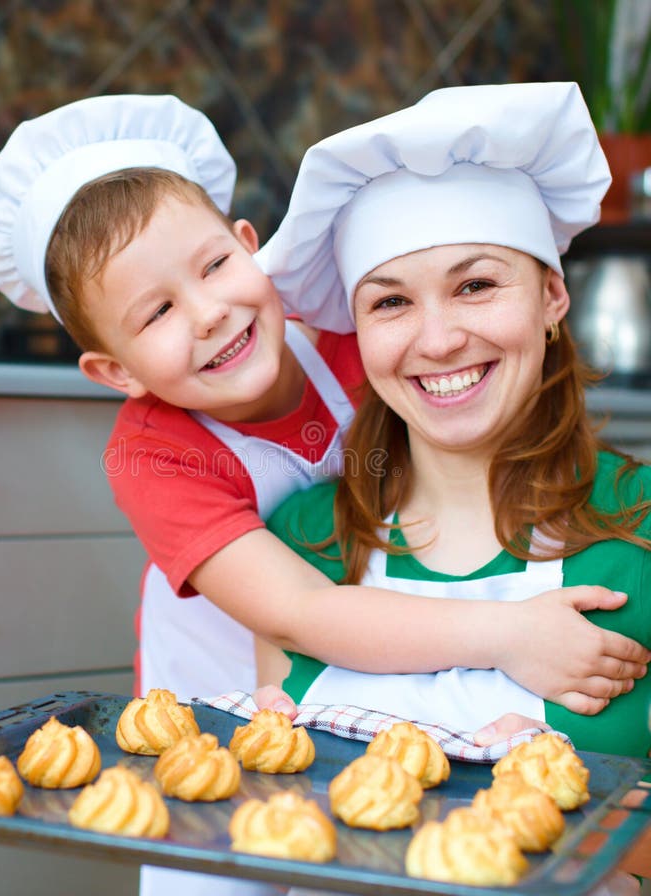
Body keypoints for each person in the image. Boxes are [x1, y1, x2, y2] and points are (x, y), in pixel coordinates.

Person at [0, 91, 647, 896]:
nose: (209, 314)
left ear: (250, 249)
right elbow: (299, 611)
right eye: (157, 313)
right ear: (114, 372)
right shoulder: (159, 458)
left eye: (214, 267)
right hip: (239, 656)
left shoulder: (349, 347)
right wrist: (508, 635)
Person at [254, 78, 651, 896]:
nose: (437, 340)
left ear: (552, 295)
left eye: (476, 285)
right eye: (391, 302)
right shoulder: (301, 542)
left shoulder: (638, 533)